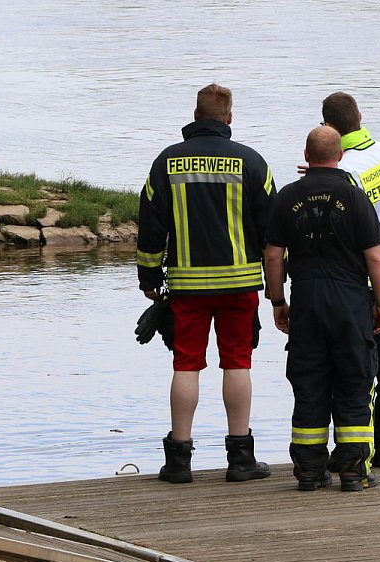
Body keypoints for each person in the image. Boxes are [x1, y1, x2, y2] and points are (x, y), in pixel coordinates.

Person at [136, 83, 277, 484]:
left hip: (186, 285)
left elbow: (151, 226)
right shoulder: (251, 162)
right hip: (240, 284)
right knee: (237, 362)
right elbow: (273, 229)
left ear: (195, 116)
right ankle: (240, 458)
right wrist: (278, 283)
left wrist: (149, 278)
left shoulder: (166, 162)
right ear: (229, 118)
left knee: (186, 365)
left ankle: (179, 461)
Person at [264, 125, 380, 492]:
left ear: (306, 155)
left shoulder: (287, 197)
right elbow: (376, 258)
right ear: (340, 156)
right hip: (350, 302)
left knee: (309, 383)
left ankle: (309, 471)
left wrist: (277, 301)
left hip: (307, 300)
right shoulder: (353, 197)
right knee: (354, 380)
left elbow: (272, 255)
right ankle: (353, 472)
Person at [321, 92, 380, 469]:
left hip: (361, 278)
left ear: (327, 127)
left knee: (357, 364)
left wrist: (321, 180)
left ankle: (356, 450)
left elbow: (340, 225)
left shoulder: (346, 172)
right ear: (360, 117)